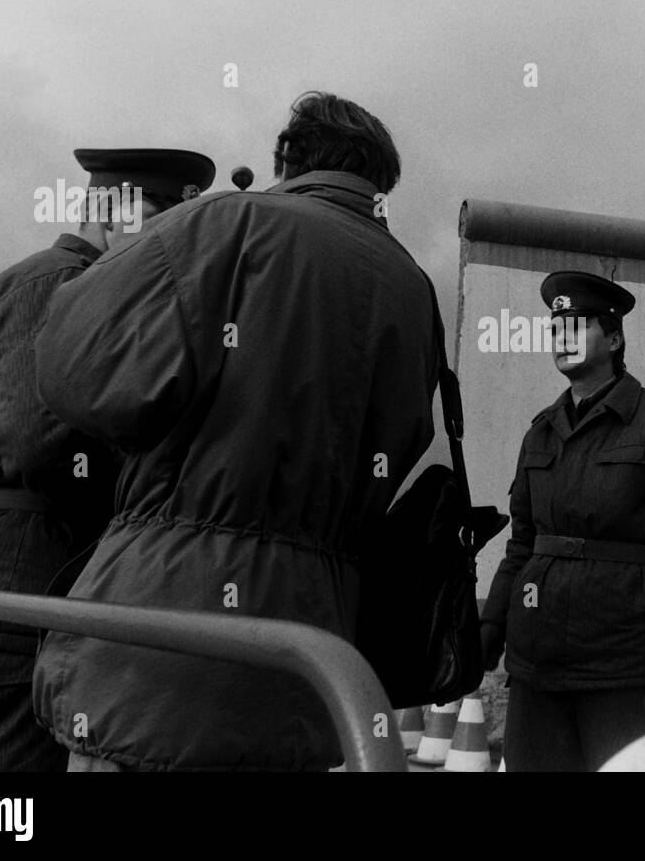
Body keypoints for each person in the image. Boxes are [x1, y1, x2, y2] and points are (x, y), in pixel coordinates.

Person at [31, 92, 440, 771]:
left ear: (288, 157)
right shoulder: (414, 285)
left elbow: (70, 365)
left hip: (162, 641)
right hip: (313, 656)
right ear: (379, 180)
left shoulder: (231, 222)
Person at [0, 147, 215, 771]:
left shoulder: (65, 283)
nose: (168, 247)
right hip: (6, 575)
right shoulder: (61, 284)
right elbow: (40, 441)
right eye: (161, 221)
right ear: (109, 213)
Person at [480, 271, 645, 771]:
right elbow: (522, 545)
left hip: (623, 671)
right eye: (555, 328)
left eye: (577, 326)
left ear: (613, 339)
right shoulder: (540, 434)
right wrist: (490, 627)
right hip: (536, 669)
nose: (561, 338)